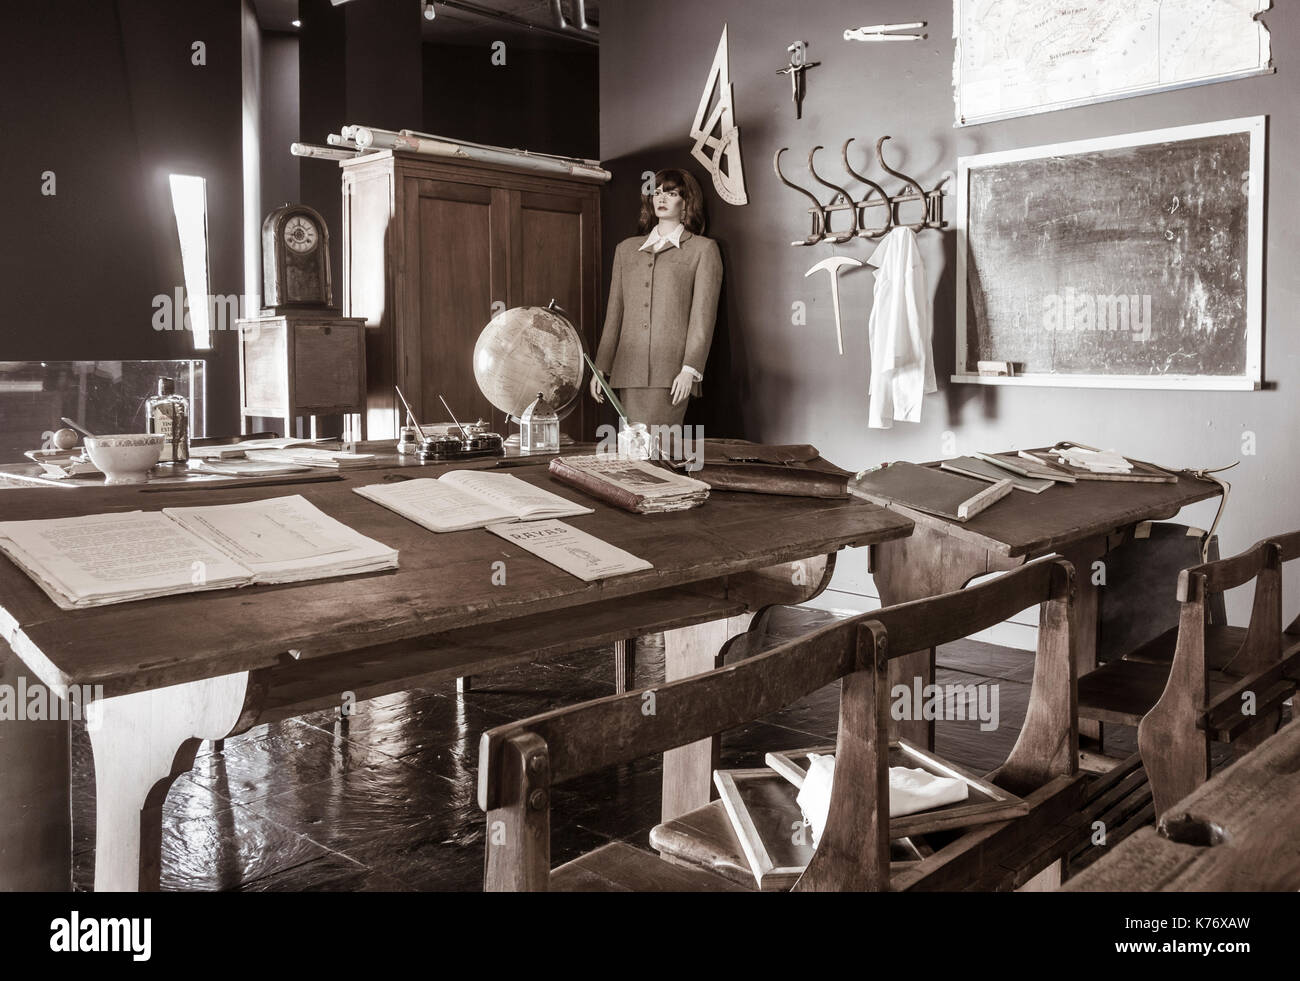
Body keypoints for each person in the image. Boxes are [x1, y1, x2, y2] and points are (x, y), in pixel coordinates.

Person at [590, 168, 723, 430]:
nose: (661, 198)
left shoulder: (702, 249)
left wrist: (690, 369)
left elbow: (702, 317)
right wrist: (600, 368)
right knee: (633, 451)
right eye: (658, 192)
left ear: (686, 202)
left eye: (671, 193)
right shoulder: (626, 250)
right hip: (628, 370)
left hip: (671, 372)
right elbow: (614, 314)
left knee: (659, 449)